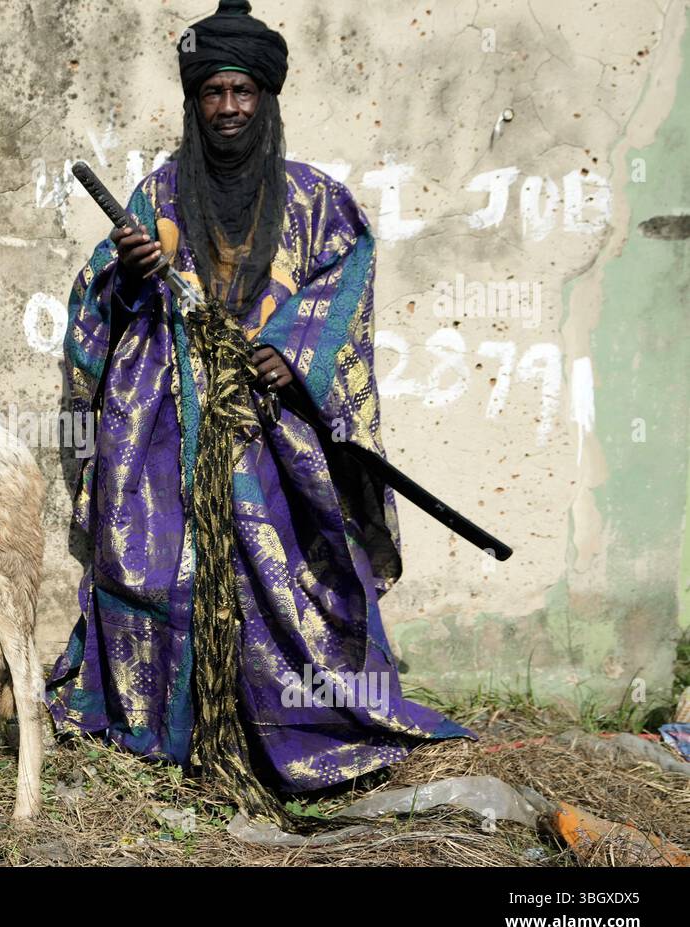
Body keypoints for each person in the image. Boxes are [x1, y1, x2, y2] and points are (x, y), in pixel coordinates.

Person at [46, 0, 474, 827]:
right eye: (214, 92)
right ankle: (167, 739)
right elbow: (97, 301)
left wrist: (288, 351)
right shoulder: (158, 195)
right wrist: (131, 271)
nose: (229, 106)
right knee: (159, 577)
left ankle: (299, 733)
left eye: (243, 90)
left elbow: (343, 291)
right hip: (168, 435)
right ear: (194, 101)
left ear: (267, 97)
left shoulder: (319, 202)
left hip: (273, 433)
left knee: (289, 590)